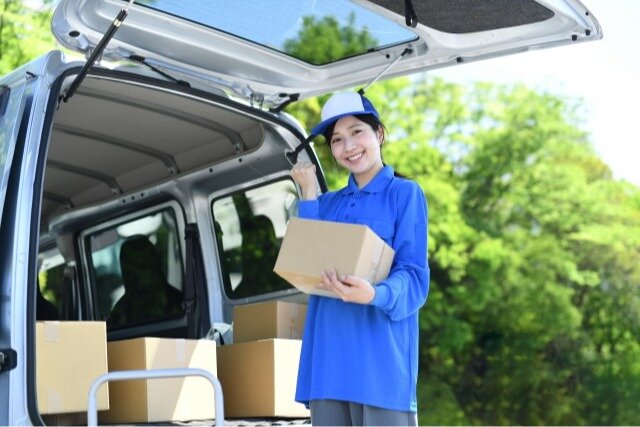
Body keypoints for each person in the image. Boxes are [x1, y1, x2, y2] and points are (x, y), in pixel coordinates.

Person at [291, 92, 430, 426]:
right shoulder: (327, 204)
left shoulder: (404, 194)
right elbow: (305, 261)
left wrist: (375, 294)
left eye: (356, 132)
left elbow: (413, 275)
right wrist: (308, 194)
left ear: (378, 133)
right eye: (337, 139)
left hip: (380, 369)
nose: (348, 146)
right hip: (327, 366)